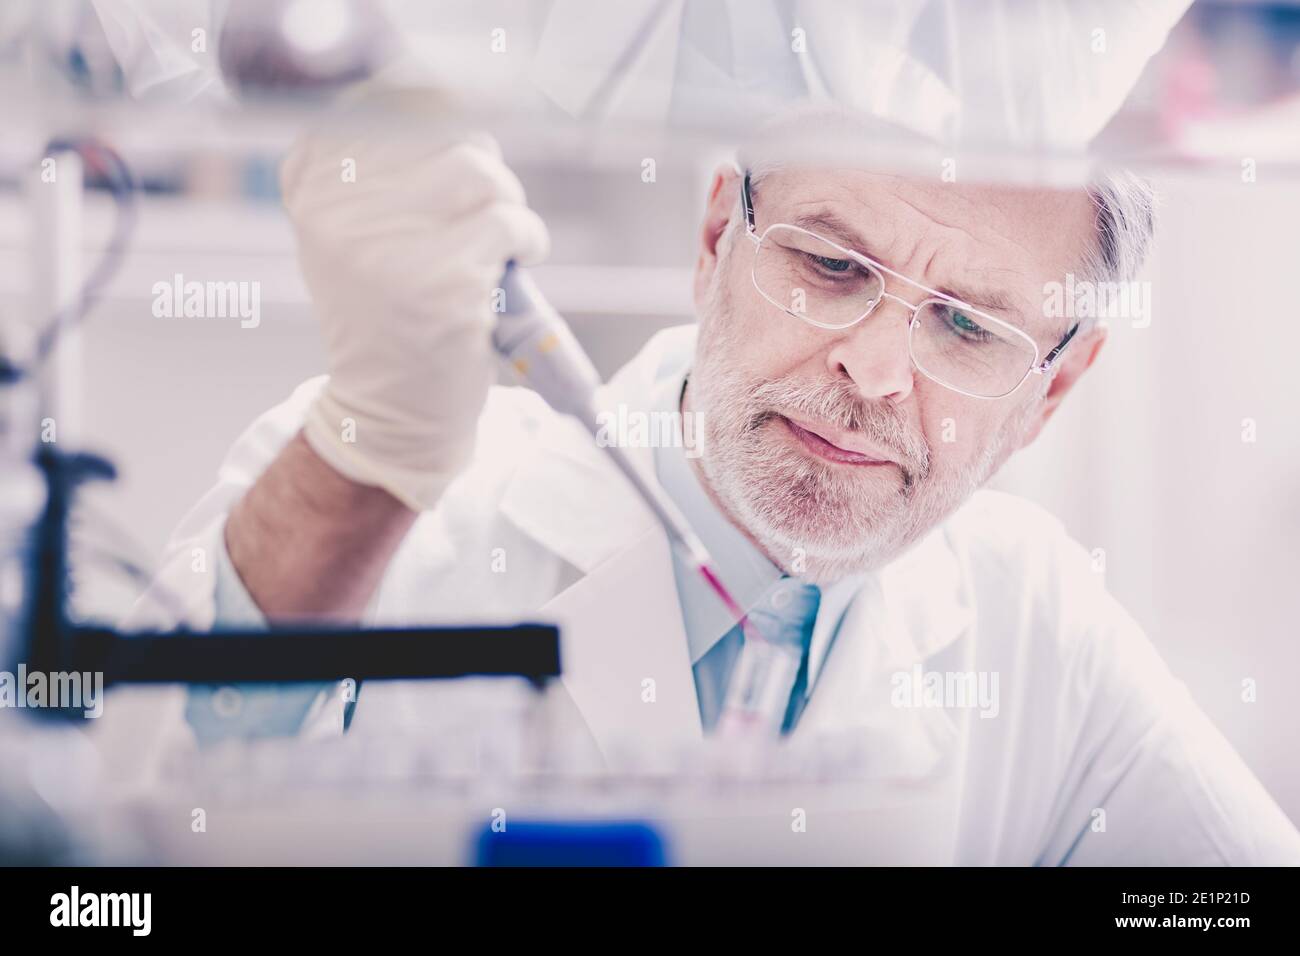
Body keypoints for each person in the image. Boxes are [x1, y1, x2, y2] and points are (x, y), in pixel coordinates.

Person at [134, 113, 1300, 865]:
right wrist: (373, 443)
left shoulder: (1037, 619)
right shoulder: (386, 484)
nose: (877, 370)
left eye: (967, 325)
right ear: (712, 235)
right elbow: (112, 843)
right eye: (829, 264)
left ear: (1051, 390)